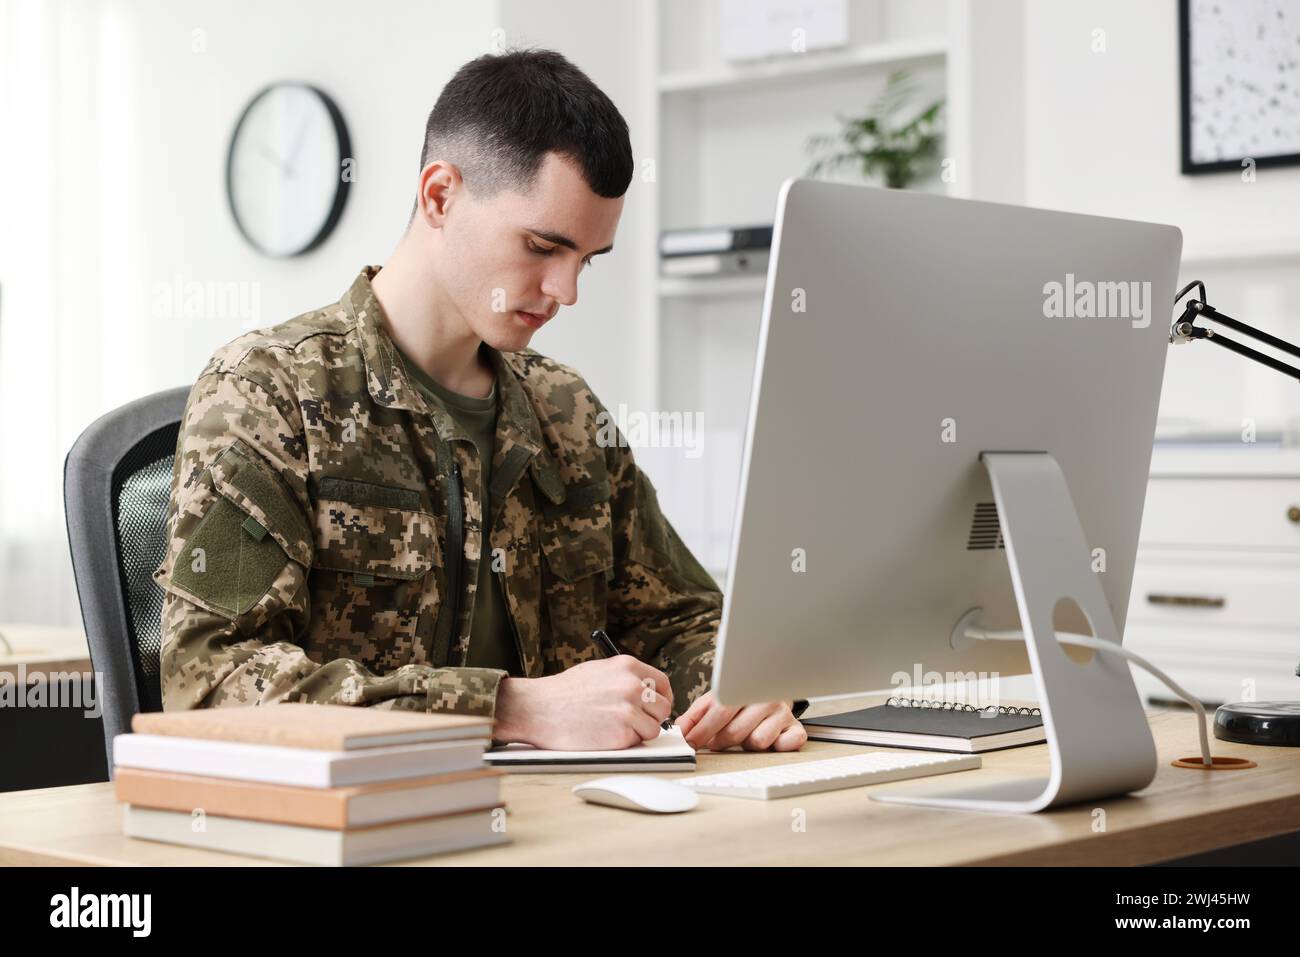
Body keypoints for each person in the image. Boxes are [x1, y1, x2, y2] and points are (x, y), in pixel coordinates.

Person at [155, 48, 806, 753]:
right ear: (440, 195)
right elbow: (211, 679)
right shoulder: (266, 393)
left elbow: (683, 620)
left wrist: (739, 686)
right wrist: (507, 709)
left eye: (585, 260)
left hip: (567, 829)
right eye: (541, 247)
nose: (566, 291)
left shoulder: (569, 415)